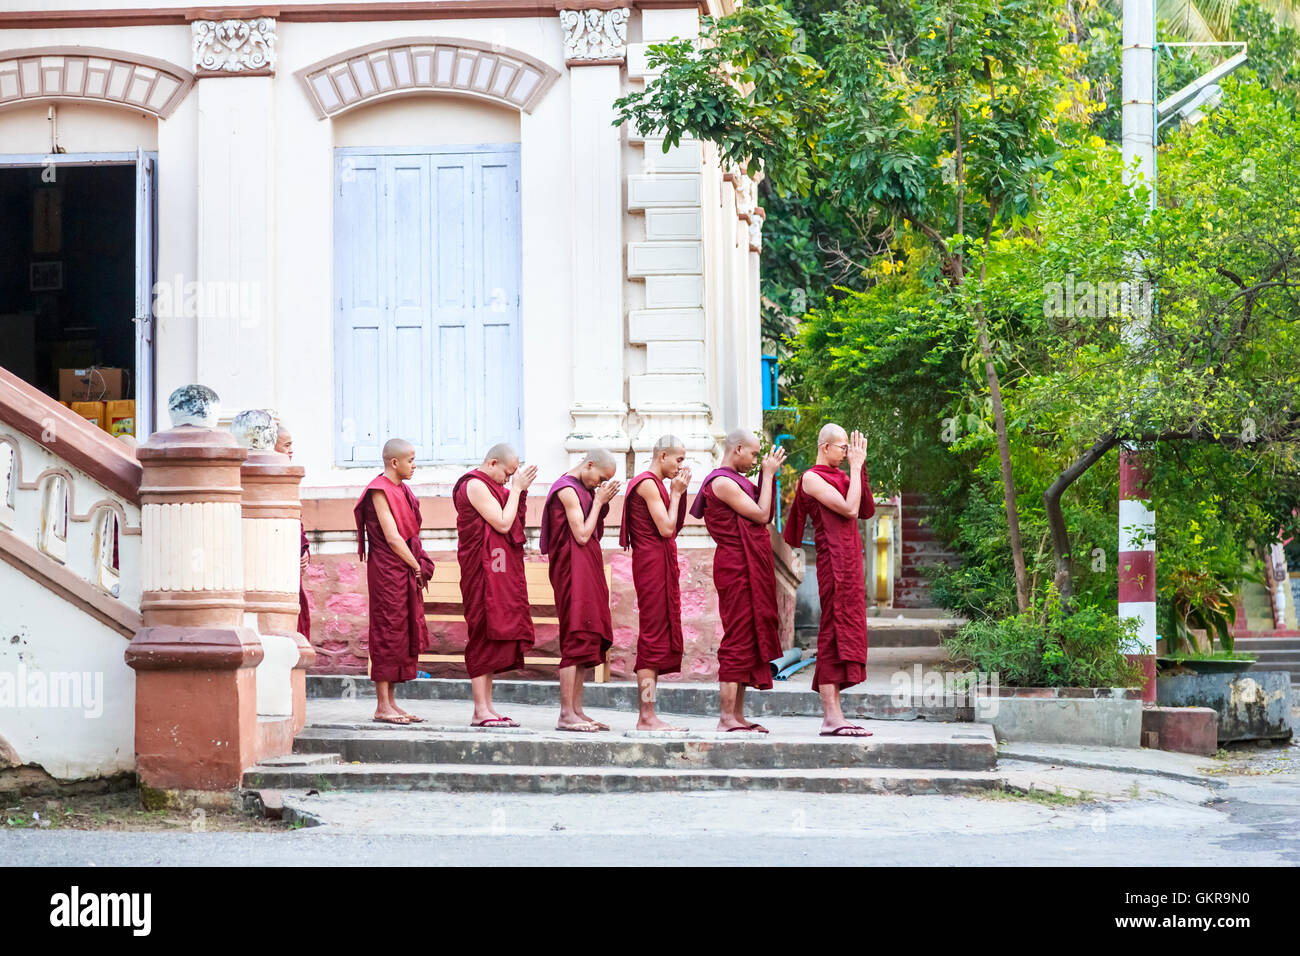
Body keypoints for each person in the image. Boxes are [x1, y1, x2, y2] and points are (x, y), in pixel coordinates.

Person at [690, 430, 786, 732]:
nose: (757, 460)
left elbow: (763, 513)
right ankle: (725, 718)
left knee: (750, 639)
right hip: (736, 567)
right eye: (754, 454)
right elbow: (761, 515)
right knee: (737, 638)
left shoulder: (737, 481)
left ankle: (738, 716)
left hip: (750, 566)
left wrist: (766, 479)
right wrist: (768, 476)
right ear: (738, 448)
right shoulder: (722, 482)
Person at [783, 424, 875, 737]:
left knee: (846, 630)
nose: (847, 453)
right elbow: (849, 508)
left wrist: (857, 472)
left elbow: (864, 509)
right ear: (825, 447)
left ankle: (837, 715)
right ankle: (830, 717)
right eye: (843, 447)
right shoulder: (812, 477)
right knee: (833, 632)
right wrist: (856, 466)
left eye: (849, 449)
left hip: (850, 562)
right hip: (834, 562)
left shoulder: (843, 475)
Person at [453, 443, 536, 728]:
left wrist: (518, 491)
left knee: (492, 635)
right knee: (481, 634)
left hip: (497, 571)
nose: (508, 479)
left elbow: (514, 522)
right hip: (481, 571)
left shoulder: (495, 486)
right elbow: (502, 523)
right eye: (507, 473)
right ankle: (479, 710)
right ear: (492, 463)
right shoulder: (475, 485)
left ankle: (487, 707)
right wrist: (516, 490)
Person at [354, 438, 436, 725]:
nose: (415, 466)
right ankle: (381, 705)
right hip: (388, 571)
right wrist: (415, 565)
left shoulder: (404, 490)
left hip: (402, 568)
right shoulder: (379, 491)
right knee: (388, 630)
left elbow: (411, 533)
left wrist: (416, 562)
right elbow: (392, 537)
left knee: (402, 631)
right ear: (394, 462)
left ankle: (392, 703)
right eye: (411, 460)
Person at [540, 450, 620, 732]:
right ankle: (565, 714)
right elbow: (582, 534)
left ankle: (577, 710)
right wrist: (599, 502)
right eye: (600, 478)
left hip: (588, 568)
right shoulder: (566, 489)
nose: (599, 485)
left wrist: (597, 500)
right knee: (575, 636)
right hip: (571, 571)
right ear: (589, 464)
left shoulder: (584, 490)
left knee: (587, 635)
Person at [620, 435, 691, 731]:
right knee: (651, 638)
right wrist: (676, 494)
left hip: (659, 564)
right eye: (678, 459)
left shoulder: (656, 483)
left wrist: (674, 492)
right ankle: (646, 716)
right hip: (651, 566)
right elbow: (665, 527)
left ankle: (650, 714)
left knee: (658, 635)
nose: (680, 466)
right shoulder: (648, 483)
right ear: (662, 455)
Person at [275, 426, 312, 641]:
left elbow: (296, 522)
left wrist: (304, 551)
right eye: (286, 445)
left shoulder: (288, 479)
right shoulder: (259, 478)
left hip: (291, 567)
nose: (291, 451)